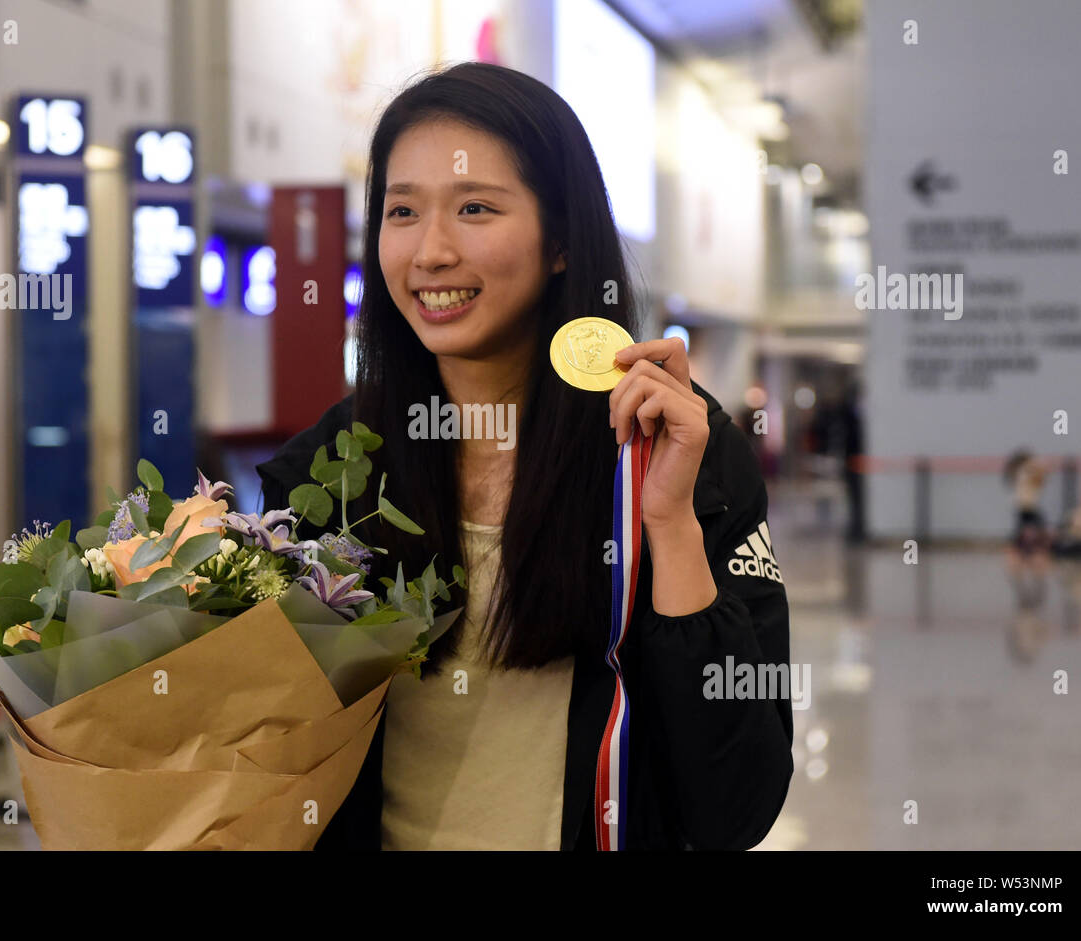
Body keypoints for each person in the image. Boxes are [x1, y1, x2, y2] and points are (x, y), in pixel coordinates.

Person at [257, 63, 792, 850]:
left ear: (563, 242)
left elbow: (734, 806)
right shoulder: (324, 478)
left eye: (475, 208)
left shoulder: (680, 450)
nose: (431, 251)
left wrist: (668, 523)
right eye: (402, 210)